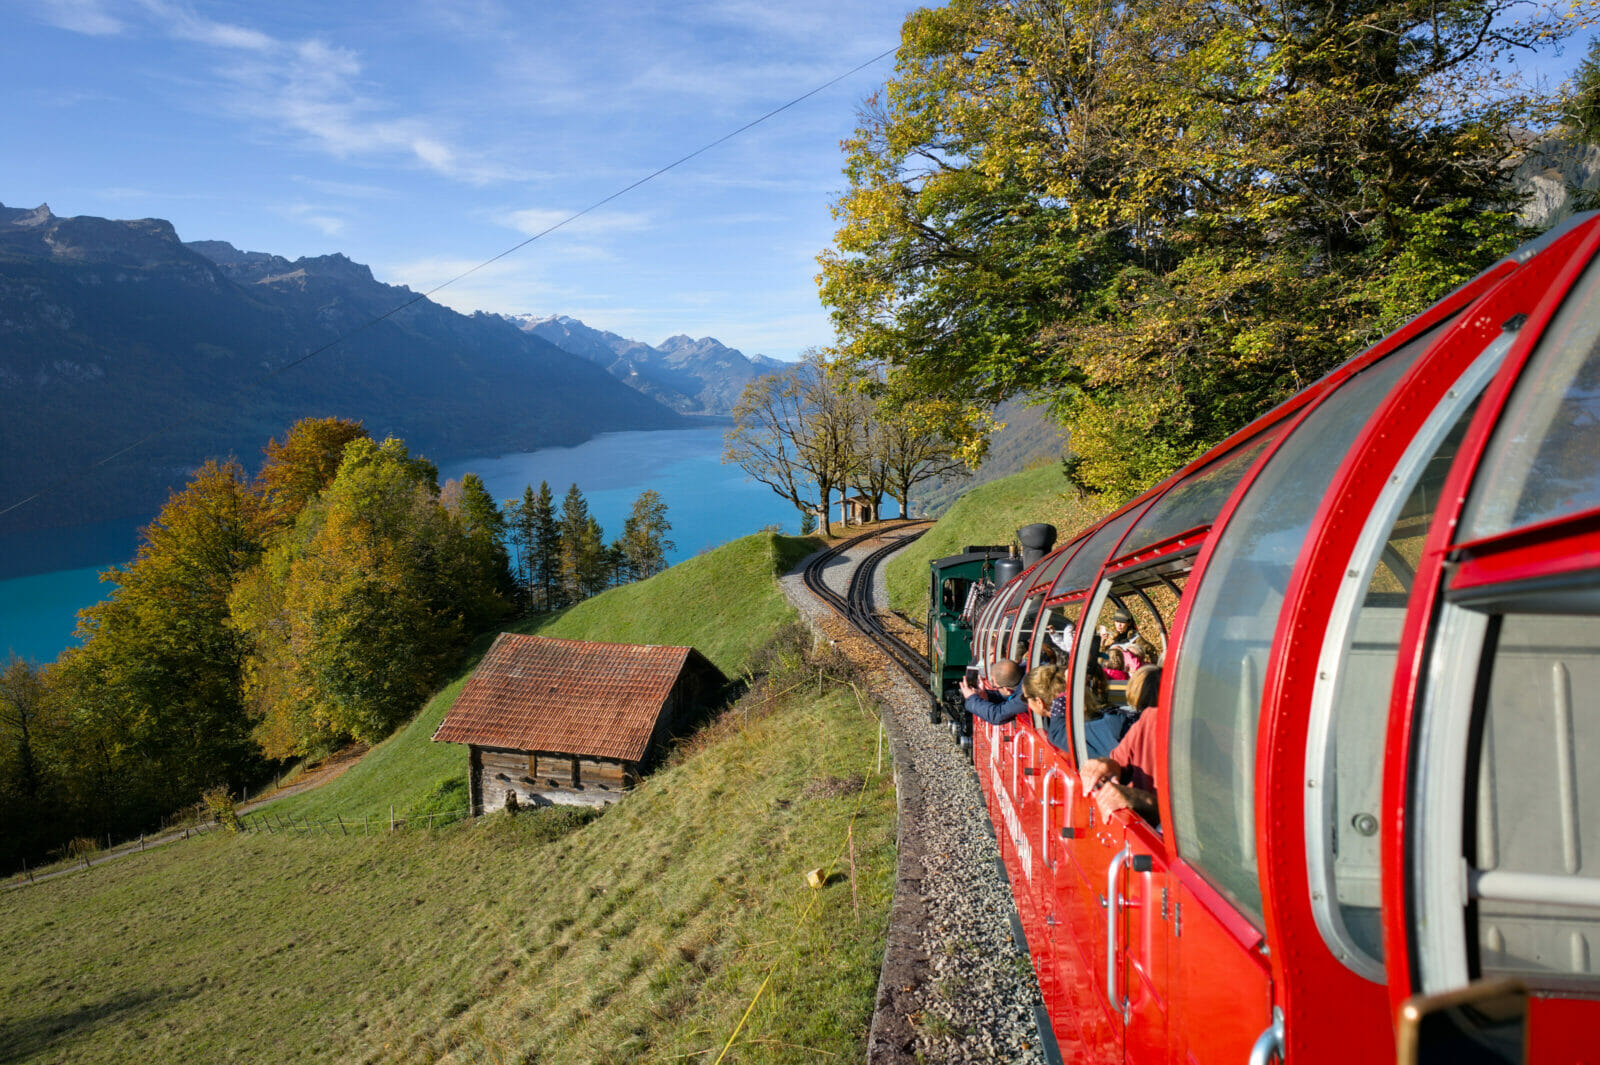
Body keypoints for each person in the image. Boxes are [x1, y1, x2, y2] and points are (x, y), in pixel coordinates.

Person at [1081, 664, 1164, 823]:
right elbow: (1116, 762)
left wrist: (1144, 801)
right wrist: (1105, 765)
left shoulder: (1121, 721)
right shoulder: (1148, 721)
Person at [958, 658, 1027, 725]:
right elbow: (1008, 698)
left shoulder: (1026, 695)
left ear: (1007, 689)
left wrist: (971, 698)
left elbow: (997, 715)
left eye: (995, 686)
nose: (993, 685)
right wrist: (985, 695)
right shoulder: (1026, 669)